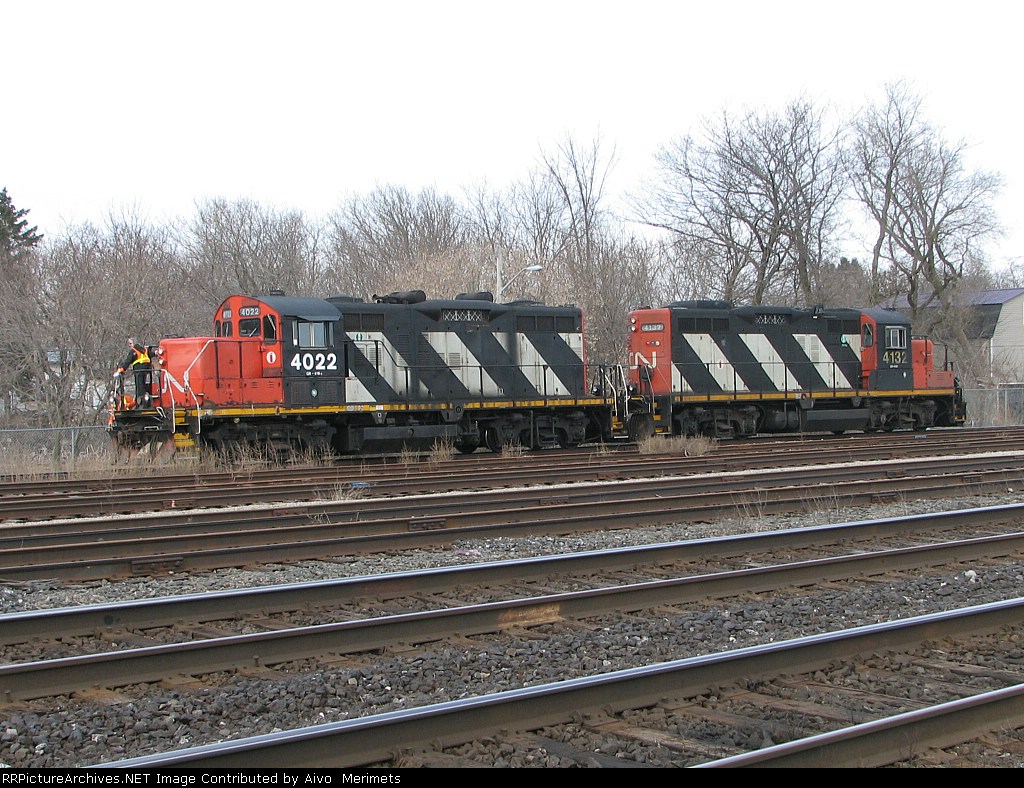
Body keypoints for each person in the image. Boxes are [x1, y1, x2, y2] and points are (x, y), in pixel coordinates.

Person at [114, 338, 151, 408]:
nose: (129, 345)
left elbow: (127, 362)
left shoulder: (133, 351)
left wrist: (122, 369)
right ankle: (145, 401)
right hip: (146, 369)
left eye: (130, 343)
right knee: (143, 385)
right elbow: (150, 354)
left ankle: (140, 402)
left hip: (139, 370)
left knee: (139, 386)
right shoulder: (144, 350)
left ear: (134, 343)